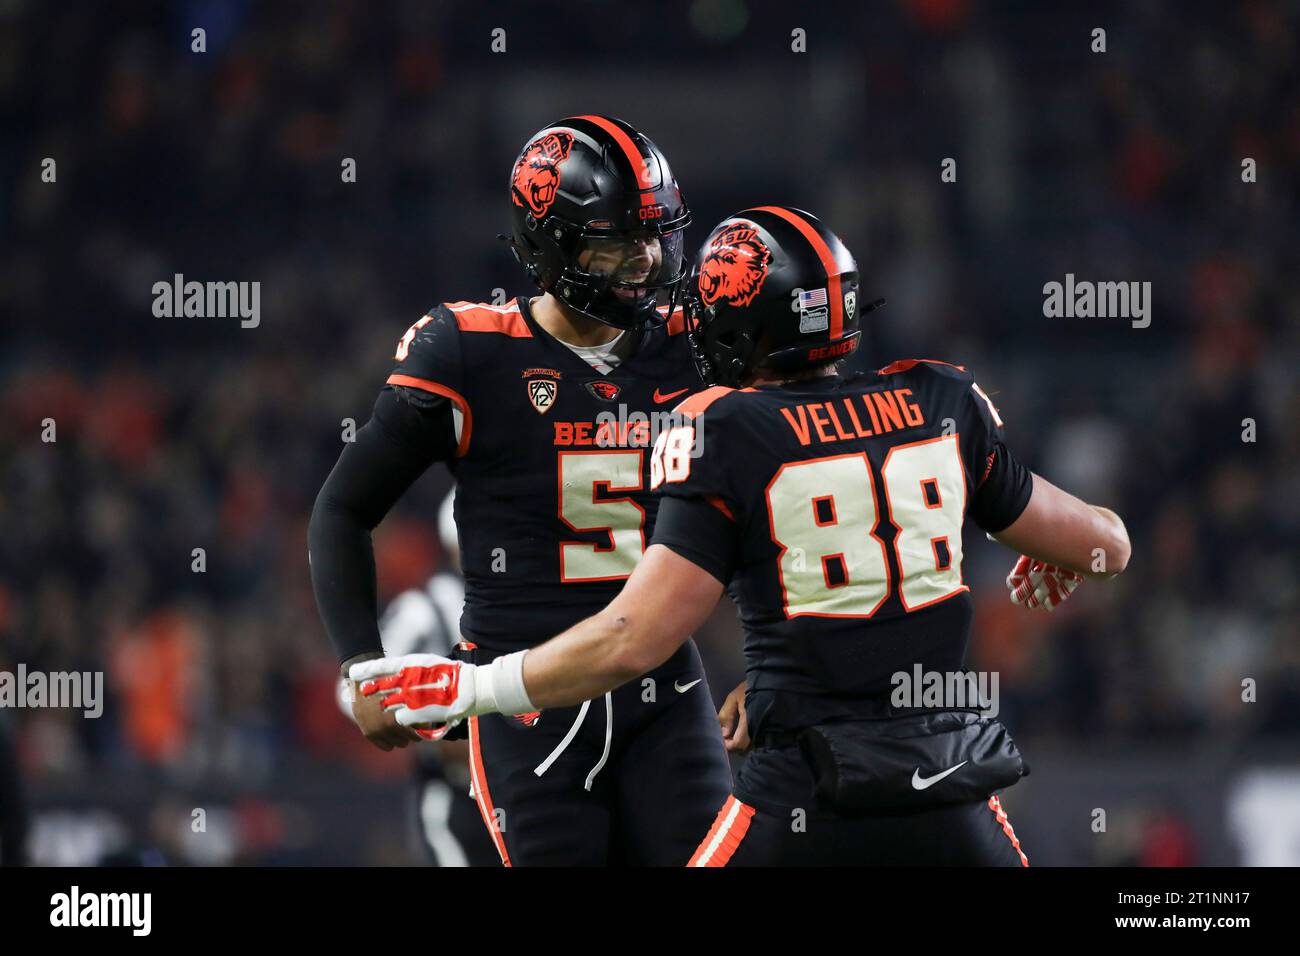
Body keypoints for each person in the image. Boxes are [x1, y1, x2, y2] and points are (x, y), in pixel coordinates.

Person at [351, 206, 1131, 866]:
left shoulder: (722, 429)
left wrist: (476, 688)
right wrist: (1053, 551)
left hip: (803, 796)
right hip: (952, 786)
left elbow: (630, 638)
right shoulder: (942, 398)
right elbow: (1108, 546)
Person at [310, 117, 732, 866]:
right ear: (549, 248)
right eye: (615, 243)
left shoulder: (693, 345)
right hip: (524, 700)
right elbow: (343, 509)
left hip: (661, 686)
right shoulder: (471, 352)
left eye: (654, 236)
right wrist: (361, 665)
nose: (645, 261)